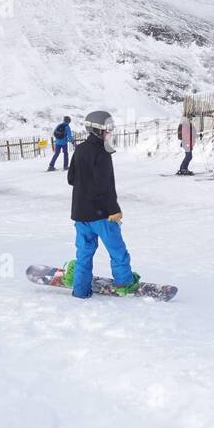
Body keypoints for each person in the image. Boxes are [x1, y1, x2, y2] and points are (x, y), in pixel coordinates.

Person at [63, 110, 140, 298]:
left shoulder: (80, 149)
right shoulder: (102, 153)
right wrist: (114, 210)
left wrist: (85, 184)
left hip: (81, 214)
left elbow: (71, 178)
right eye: (108, 129)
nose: (110, 132)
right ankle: (124, 283)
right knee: (117, 250)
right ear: (97, 130)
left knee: (84, 253)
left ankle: (80, 290)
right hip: (101, 214)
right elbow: (105, 186)